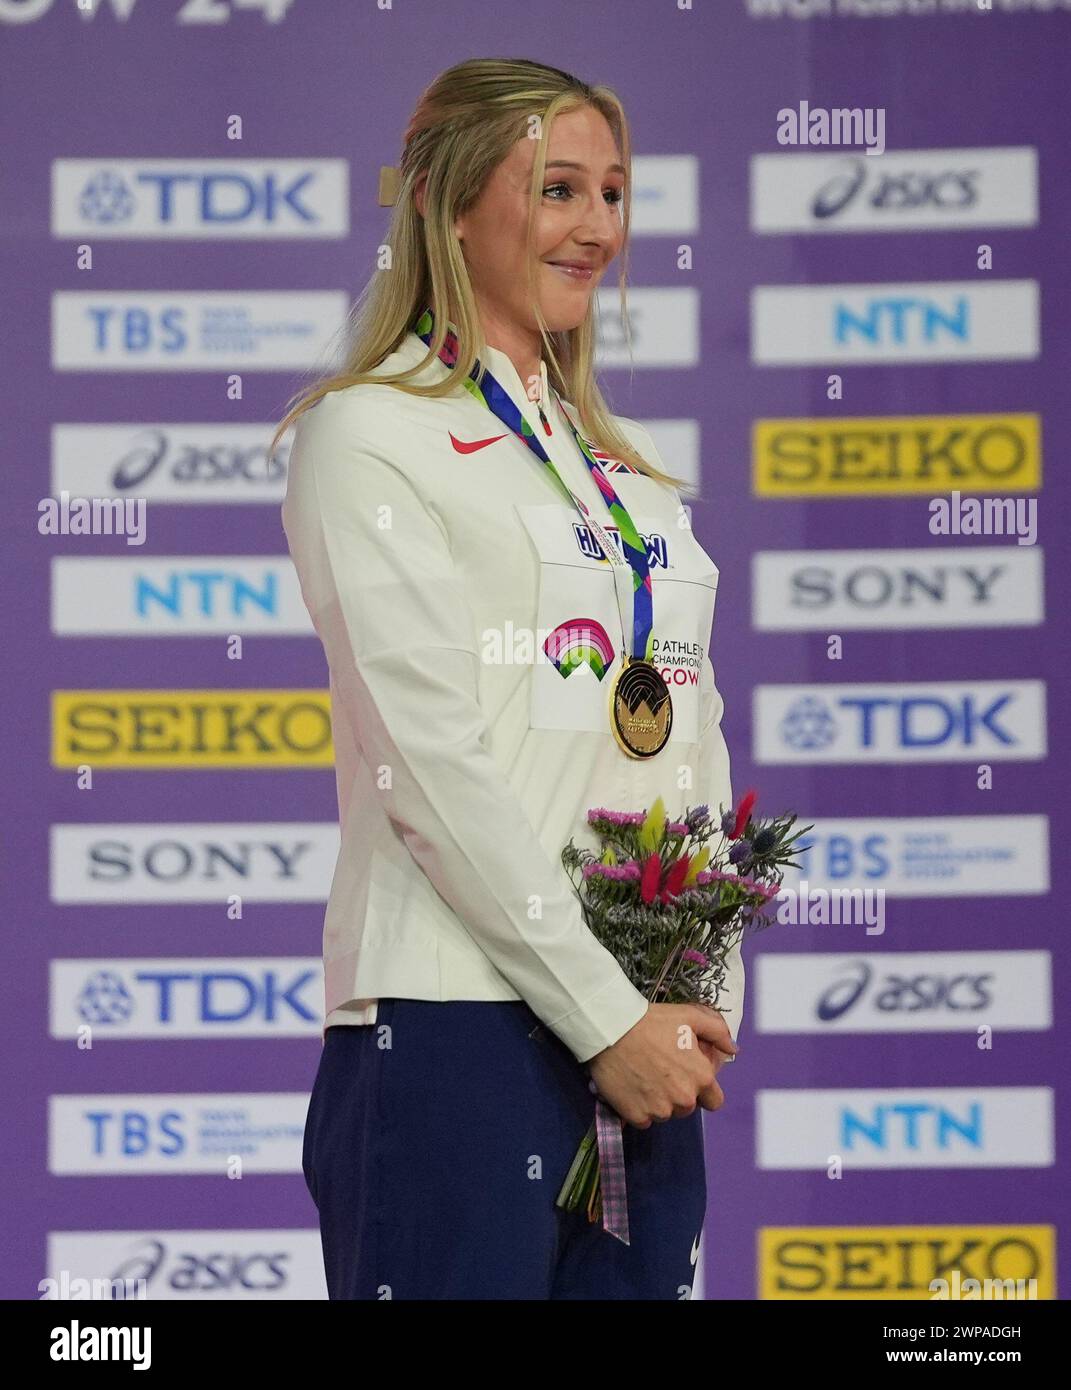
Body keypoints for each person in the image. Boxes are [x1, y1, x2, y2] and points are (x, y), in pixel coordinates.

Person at [276, 56, 744, 1301]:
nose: (596, 225)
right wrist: (606, 1017)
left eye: (614, 193)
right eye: (556, 189)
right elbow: (426, 763)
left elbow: (688, 740)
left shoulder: (634, 482)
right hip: (448, 1022)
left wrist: (688, 999)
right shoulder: (371, 433)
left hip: (638, 1040)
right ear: (449, 205)